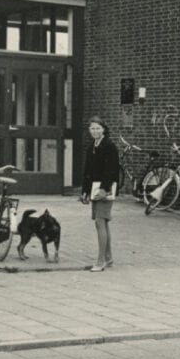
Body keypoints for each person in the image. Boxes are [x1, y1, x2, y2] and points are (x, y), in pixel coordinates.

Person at [80, 116, 119, 272]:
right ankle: (108, 258)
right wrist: (85, 191)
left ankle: (100, 261)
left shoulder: (109, 146)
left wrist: (104, 189)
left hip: (104, 189)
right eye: (92, 128)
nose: (95, 131)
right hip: (94, 189)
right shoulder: (92, 147)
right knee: (102, 222)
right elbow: (87, 171)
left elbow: (112, 170)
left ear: (104, 129)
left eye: (98, 128)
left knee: (100, 221)